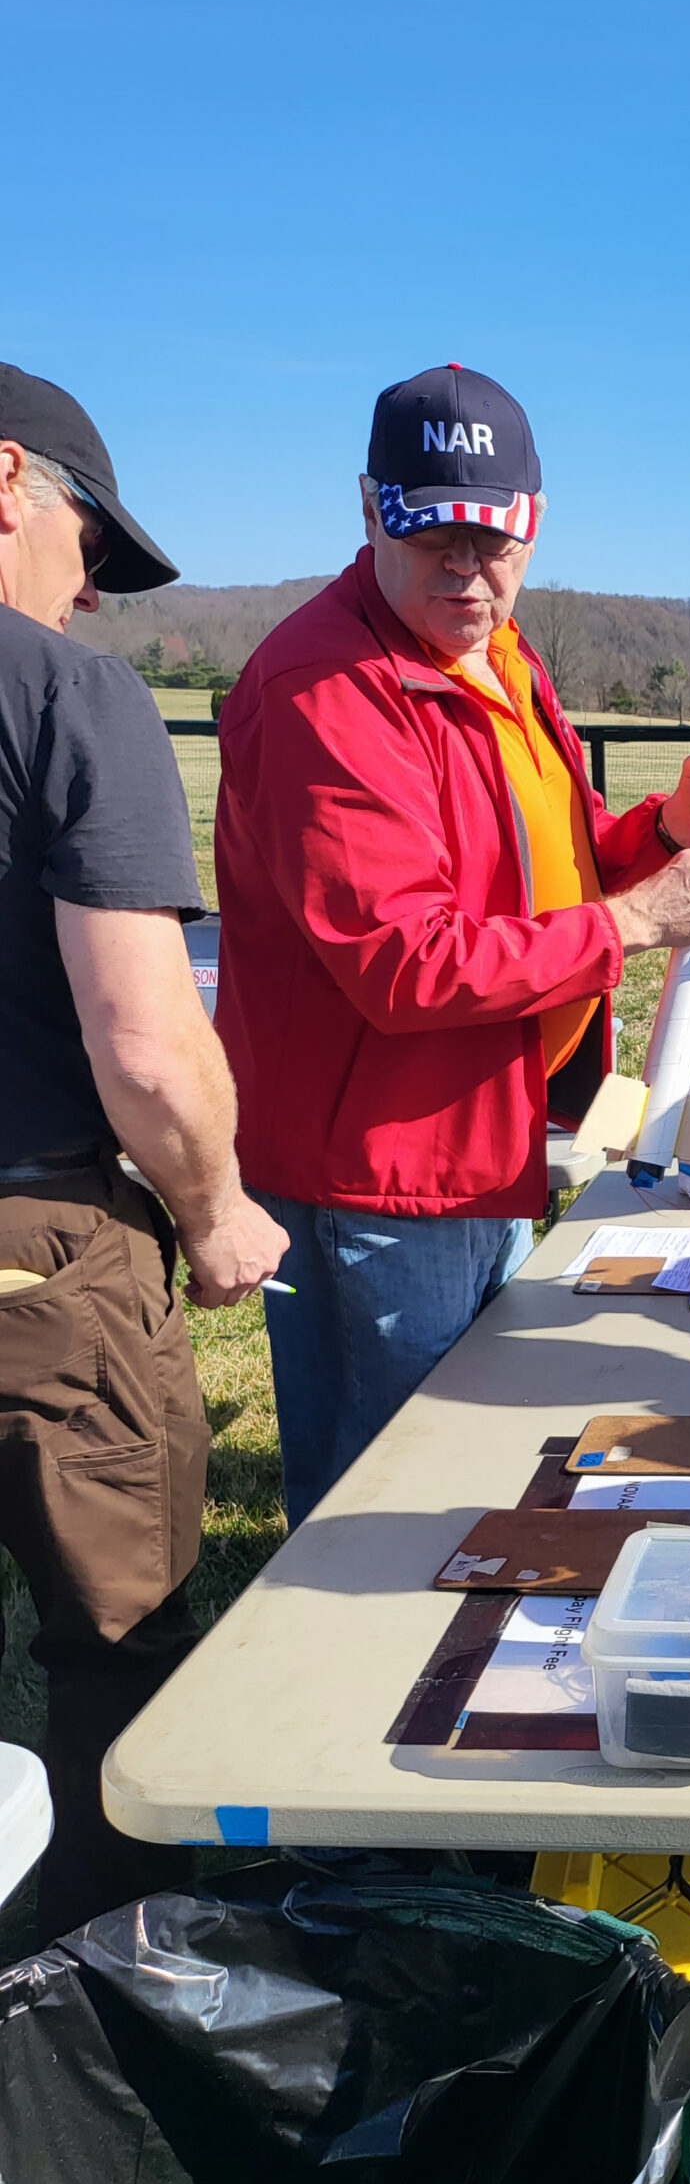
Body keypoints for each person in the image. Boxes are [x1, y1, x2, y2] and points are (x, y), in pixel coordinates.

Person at [214, 365, 690, 1528]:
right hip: (380, 1173)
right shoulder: (328, 689)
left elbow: (537, 864)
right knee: (390, 1498)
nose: (467, 571)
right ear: (371, 509)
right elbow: (406, 962)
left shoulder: (496, 654)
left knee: (463, 1471)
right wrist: (637, 921)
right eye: (433, 536)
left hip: (489, 1136)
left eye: (494, 538)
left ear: (534, 522)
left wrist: (660, 832)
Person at [0, 365, 288, 1940]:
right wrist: (219, 1208)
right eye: (86, 535)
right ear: (4, 484)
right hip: (44, 1243)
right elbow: (146, 1040)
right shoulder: (63, 695)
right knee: (117, 1649)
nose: (91, 587)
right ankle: (101, 1988)